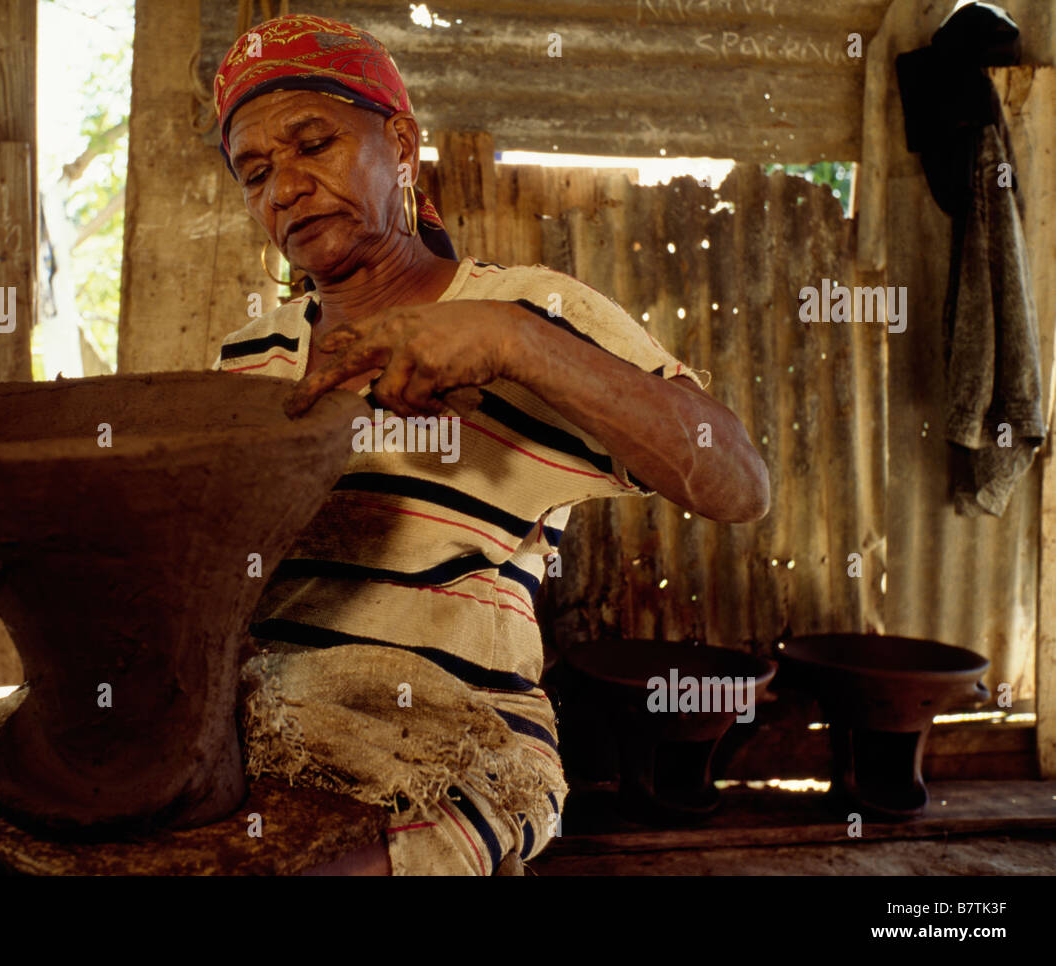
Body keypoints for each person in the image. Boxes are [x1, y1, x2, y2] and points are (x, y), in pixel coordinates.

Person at [209, 14, 769, 875]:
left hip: (453, 741)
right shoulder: (248, 357)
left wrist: (516, 344)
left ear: (400, 142)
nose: (283, 187)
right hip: (259, 724)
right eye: (254, 171)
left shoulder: (524, 308)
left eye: (313, 143)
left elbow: (737, 482)